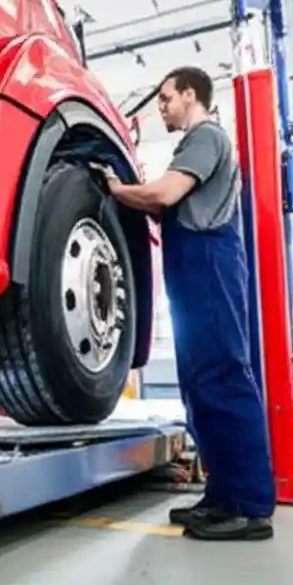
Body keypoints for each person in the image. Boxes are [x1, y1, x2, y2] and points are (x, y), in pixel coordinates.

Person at [104, 66, 275, 541]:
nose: (161, 107)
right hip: (193, 270)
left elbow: (164, 193)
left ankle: (248, 506)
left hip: (210, 265)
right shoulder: (192, 144)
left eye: (165, 98)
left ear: (191, 95)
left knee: (223, 377)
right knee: (199, 386)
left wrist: (117, 190)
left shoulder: (206, 137)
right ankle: (222, 496)